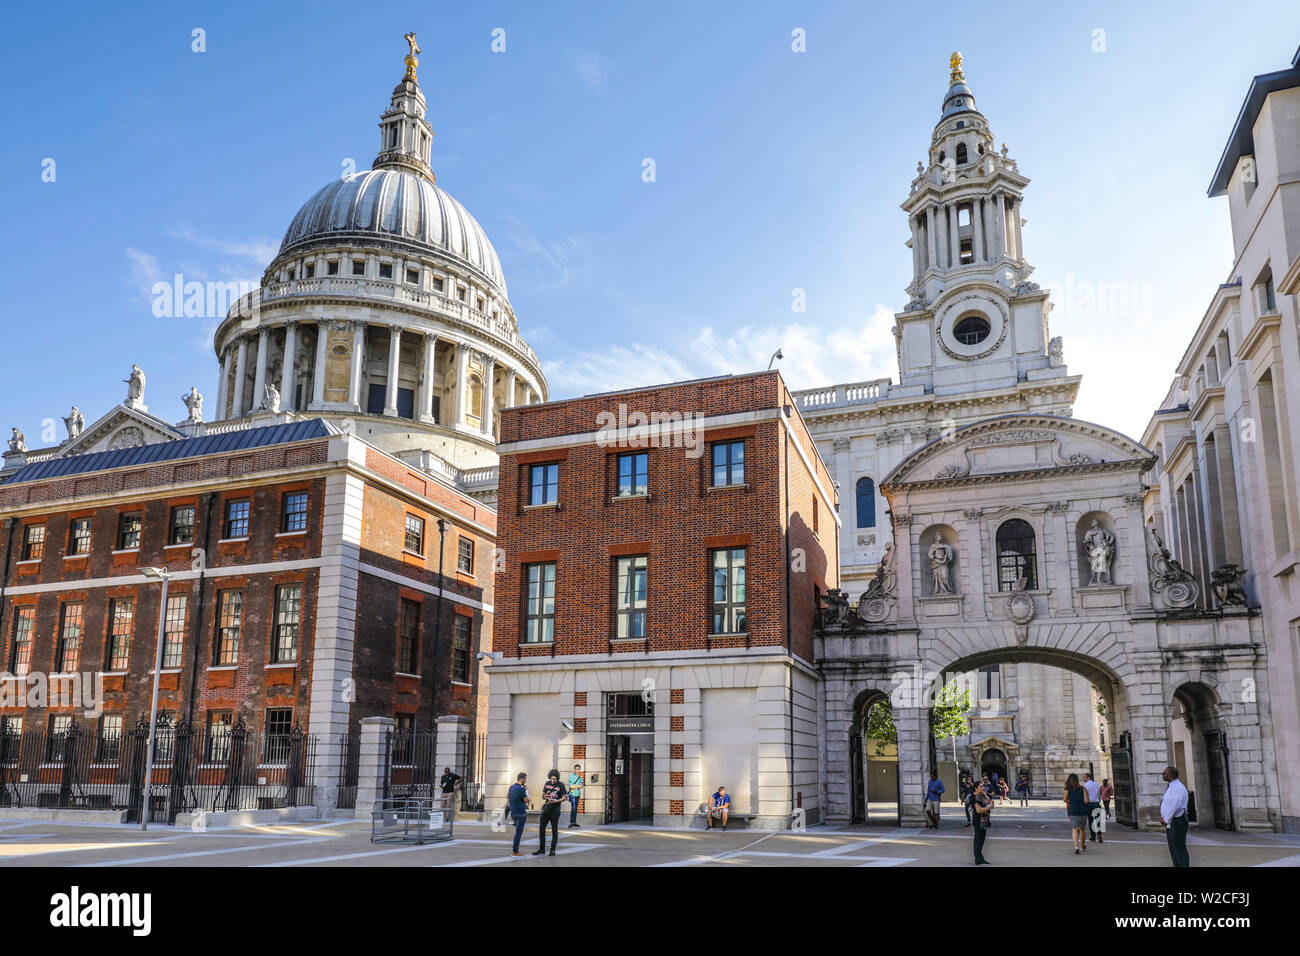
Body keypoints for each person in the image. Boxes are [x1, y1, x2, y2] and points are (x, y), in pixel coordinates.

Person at [1160, 766, 1190, 868]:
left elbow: (1176, 805)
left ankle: (1183, 865)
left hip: (1177, 821)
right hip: (1172, 821)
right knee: (1174, 848)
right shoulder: (1172, 786)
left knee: (1179, 848)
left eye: (1165, 773)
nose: (1163, 775)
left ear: (1171, 775)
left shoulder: (1177, 787)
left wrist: (1166, 819)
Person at [533, 769, 567, 856]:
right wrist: (546, 797)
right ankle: (541, 849)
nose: (552, 780)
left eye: (554, 779)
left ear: (557, 778)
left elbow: (564, 797)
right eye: (551, 779)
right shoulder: (547, 783)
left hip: (555, 811)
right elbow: (543, 796)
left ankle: (552, 850)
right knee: (541, 829)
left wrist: (557, 800)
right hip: (546, 809)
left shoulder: (561, 785)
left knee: (554, 830)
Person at [1064, 773, 1090, 854]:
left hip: (1073, 811)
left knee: (1074, 829)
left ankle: (1076, 847)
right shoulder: (1083, 788)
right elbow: (1087, 801)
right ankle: (1082, 846)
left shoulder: (1068, 789)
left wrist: (1071, 801)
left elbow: (1064, 799)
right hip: (1083, 811)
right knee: (1082, 830)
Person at [507, 772, 531, 856]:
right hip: (520, 813)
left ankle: (515, 850)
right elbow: (526, 800)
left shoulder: (511, 787)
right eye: (525, 779)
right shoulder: (521, 789)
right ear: (522, 779)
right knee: (518, 833)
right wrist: (526, 790)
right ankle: (515, 851)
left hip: (513, 813)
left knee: (517, 832)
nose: (526, 780)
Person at [971, 780, 992, 864]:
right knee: (978, 841)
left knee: (981, 840)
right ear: (975, 788)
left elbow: (989, 801)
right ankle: (978, 859)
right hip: (978, 821)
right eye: (980, 787)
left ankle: (980, 858)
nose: (982, 788)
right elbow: (979, 810)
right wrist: (989, 807)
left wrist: (985, 794)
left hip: (984, 821)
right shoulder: (974, 797)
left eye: (983, 786)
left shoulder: (981, 795)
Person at [1083, 772, 1103, 843]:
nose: (1083, 778)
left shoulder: (1085, 785)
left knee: (1091, 820)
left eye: (1084, 777)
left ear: (1088, 778)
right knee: (1098, 820)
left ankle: (1093, 836)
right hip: (1096, 803)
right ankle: (1099, 834)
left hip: (1089, 804)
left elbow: (1085, 795)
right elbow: (1098, 794)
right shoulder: (1096, 784)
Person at [567, 764, 584, 828]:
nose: (577, 770)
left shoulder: (580, 777)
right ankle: (571, 822)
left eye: (578, 769)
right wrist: (578, 786)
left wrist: (576, 786)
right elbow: (571, 786)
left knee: (575, 809)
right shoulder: (571, 776)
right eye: (576, 769)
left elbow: (582, 786)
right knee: (573, 808)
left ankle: (574, 822)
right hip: (572, 794)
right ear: (574, 769)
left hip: (578, 795)